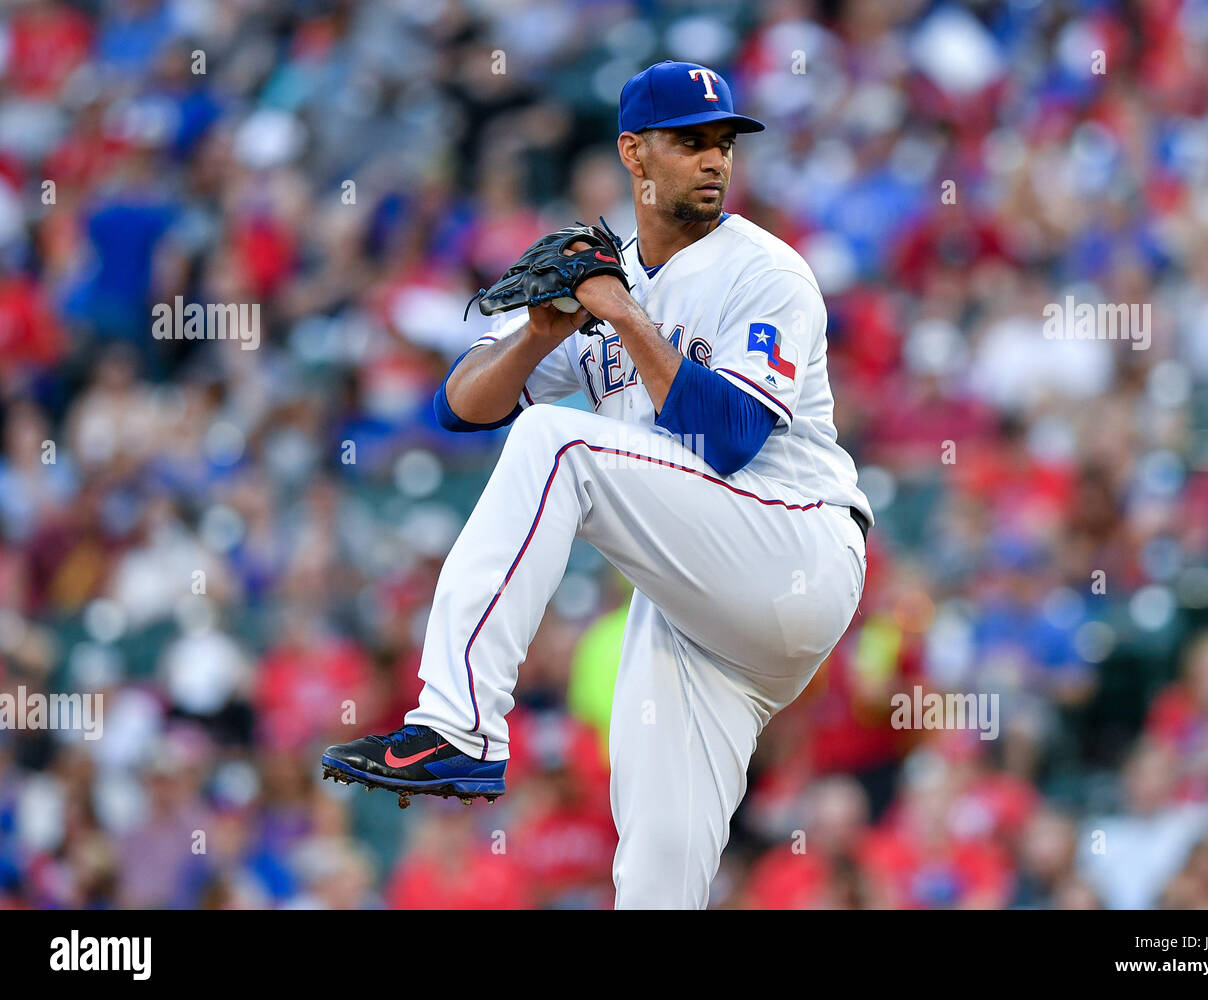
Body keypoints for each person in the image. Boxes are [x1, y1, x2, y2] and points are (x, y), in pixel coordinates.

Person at [322, 60, 874, 909]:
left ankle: (458, 726)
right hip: (699, 608)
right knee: (654, 878)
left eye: (723, 142)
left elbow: (725, 439)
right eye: (691, 142)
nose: (714, 159)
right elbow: (459, 409)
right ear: (634, 153)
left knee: (559, 443)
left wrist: (621, 316)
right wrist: (541, 335)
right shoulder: (605, 276)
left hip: (792, 546)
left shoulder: (766, 272)